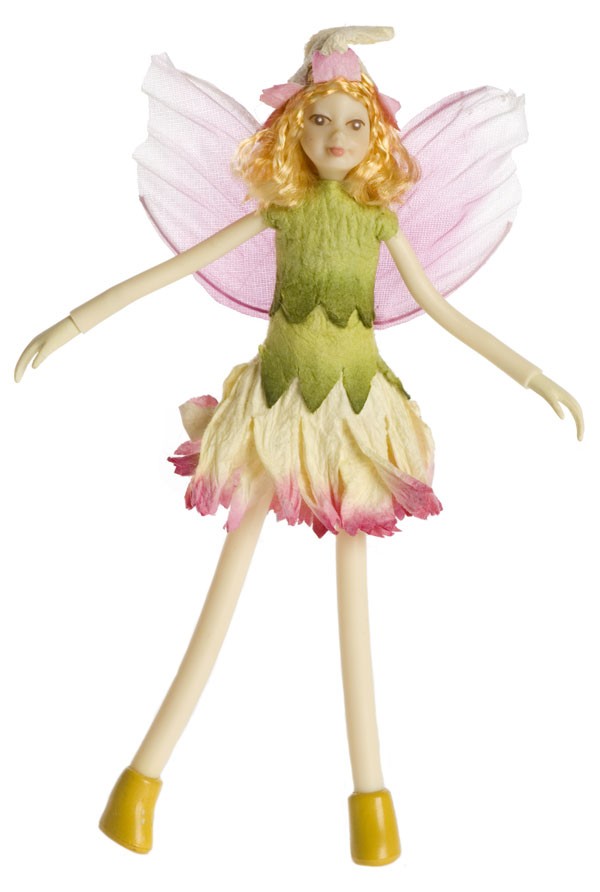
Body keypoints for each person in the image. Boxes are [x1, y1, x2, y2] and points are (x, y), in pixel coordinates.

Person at [14, 26, 583, 867]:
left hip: (353, 412)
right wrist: (74, 322)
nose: (336, 138)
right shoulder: (280, 212)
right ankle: (141, 783)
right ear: (294, 129)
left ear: (375, 135)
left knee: (354, 597)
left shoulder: (379, 221)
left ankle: (371, 802)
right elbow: (179, 266)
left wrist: (531, 374)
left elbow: (441, 308)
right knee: (228, 582)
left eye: (354, 124)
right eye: (320, 121)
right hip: (277, 405)